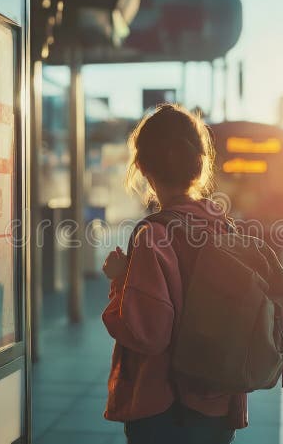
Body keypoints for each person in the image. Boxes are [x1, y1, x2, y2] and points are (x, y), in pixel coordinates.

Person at [102, 104, 246, 444]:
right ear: (200, 163)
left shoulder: (153, 234)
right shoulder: (223, 227)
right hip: (217, 404)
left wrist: (122, 280)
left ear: (142, 167)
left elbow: (148, 334)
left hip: (165, 410)